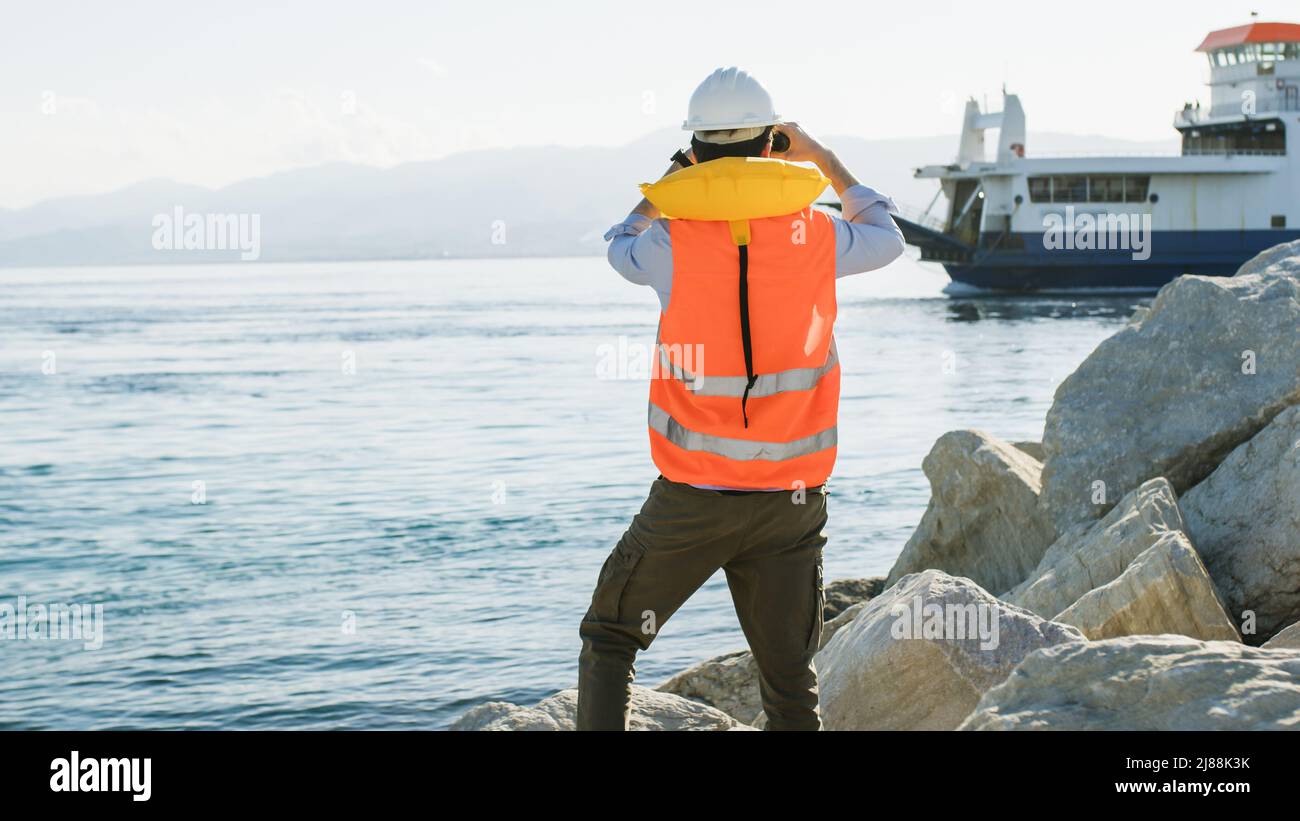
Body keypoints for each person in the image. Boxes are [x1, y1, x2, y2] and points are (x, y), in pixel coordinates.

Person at [577, 67, 904, 730]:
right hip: (791, 499)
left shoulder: (669, 243)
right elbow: (889, 235)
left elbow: (617, 244)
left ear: (694, 153)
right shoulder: (816, 236)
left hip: (694, 498)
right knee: (789, 682)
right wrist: (826, 159)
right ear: (773, 146)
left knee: (612, 637)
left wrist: (665, 191)